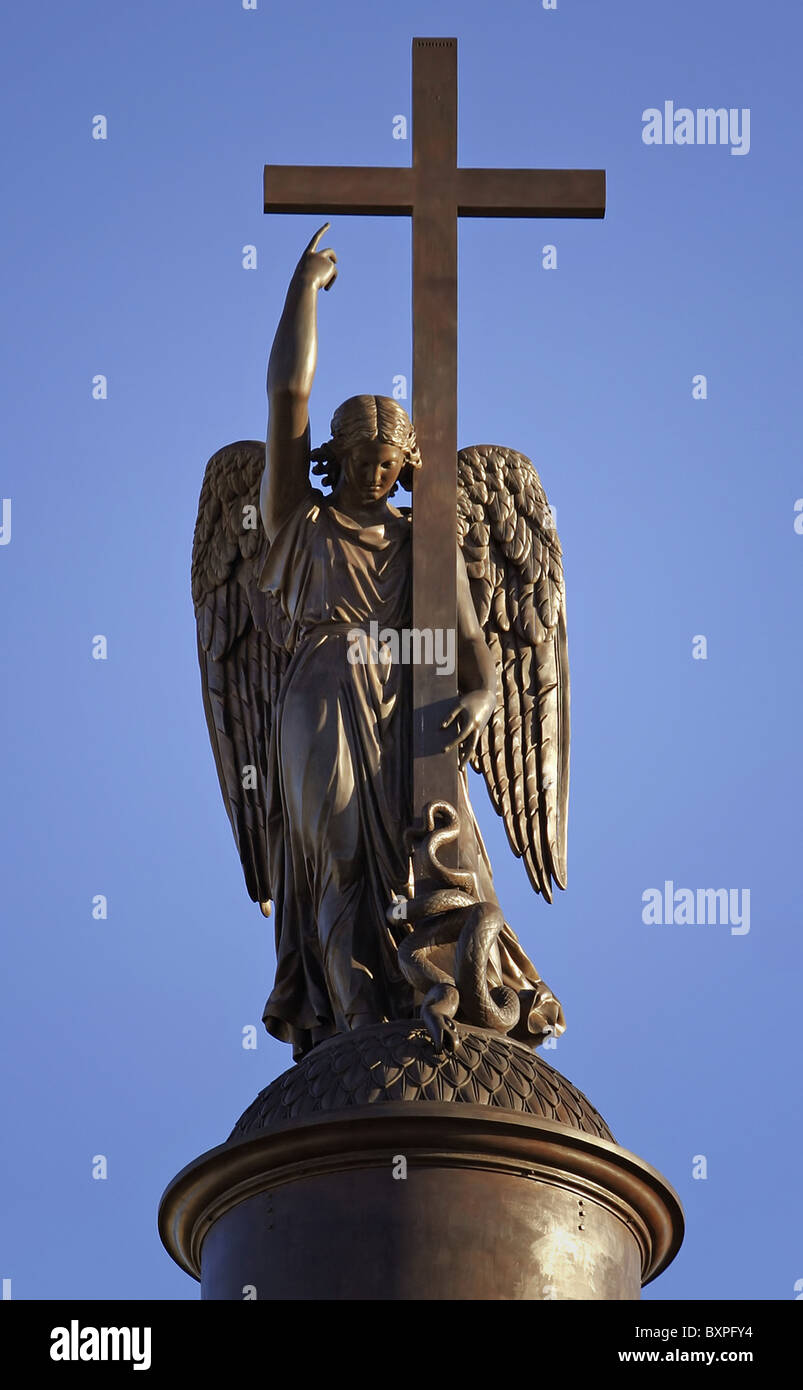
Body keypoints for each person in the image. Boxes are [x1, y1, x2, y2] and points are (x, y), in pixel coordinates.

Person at [258, 225, 562, 1059]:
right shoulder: (300, 520)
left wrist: (480, 696)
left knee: (436, 859)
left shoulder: (425, 544)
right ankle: (354, 1025)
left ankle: (432, 995)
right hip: (322, 687)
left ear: (405, 467)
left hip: (413, 695)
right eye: (360, 457)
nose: (374, 474)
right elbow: (287, 397)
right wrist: (303, 289)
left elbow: (474, 652)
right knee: (338, 855)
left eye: (389, 462)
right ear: (336, 459)